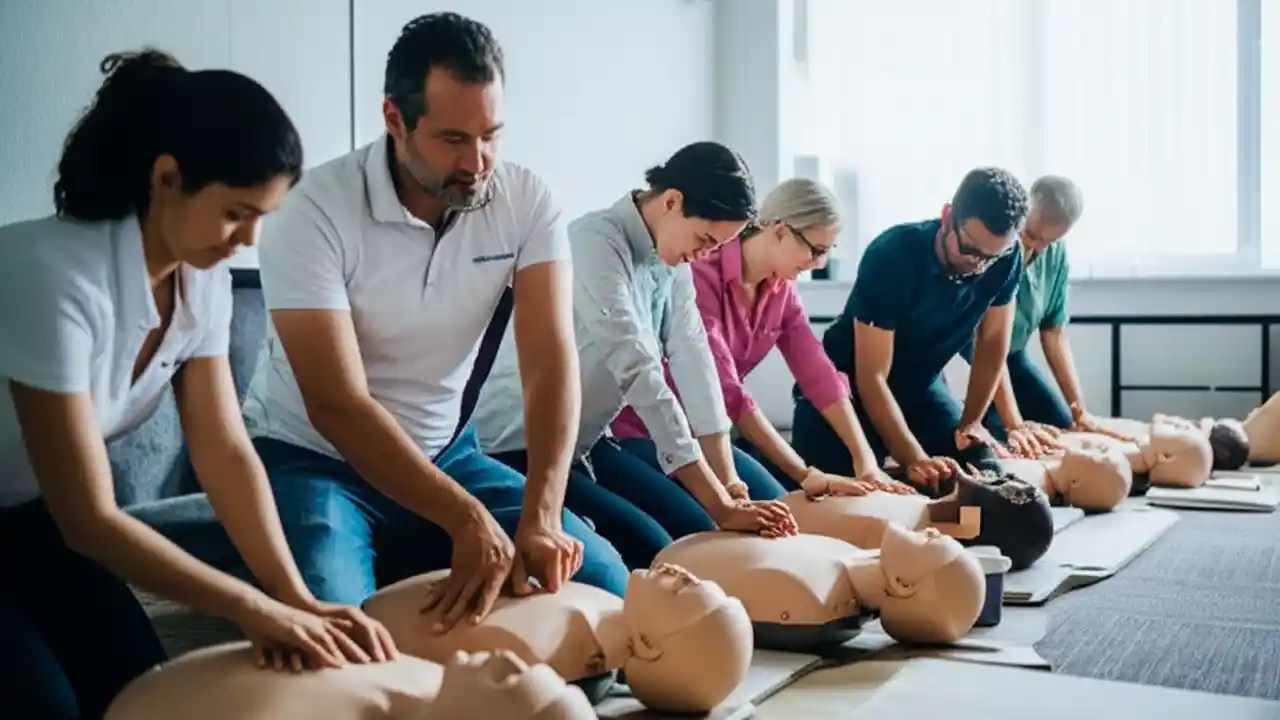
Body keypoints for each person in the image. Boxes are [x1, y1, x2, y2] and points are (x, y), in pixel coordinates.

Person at [0, 50, 394, 720]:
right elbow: (88, 518)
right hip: (57, 513)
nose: (249, 239)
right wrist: (251, 605)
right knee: (48, 706)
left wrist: (293, 592)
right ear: (167, 178)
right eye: (237, 212)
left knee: (138, 686)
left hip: (25, 513)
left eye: (264, 215)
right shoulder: (50, 276)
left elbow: (224, 450)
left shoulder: (200, 280)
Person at [241, 13, 629, 623]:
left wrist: (542, 515)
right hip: (314, 458)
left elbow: (550, 366)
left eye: (491, 135)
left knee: (606, 593)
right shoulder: (310, 210)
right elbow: (336, 402)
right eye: (453, 140)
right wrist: (465, 518)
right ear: (394, 119)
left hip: (446, 453)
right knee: (338, 630)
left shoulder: (527, 202)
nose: (478, 162)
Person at [476, 142, 796, 570]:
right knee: (654, 546)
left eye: (717, 247)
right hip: (517, 445)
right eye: (705, 239)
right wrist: (719, 502)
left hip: (584, 444)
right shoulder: (592, 242)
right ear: (671, 201)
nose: (707, 255)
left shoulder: (673, 260)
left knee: (695, 527)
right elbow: (639, 370)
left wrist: (730, 484)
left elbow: (694, 360)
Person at [610, 178, 905, 495]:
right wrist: (805, 474)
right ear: (780, 230)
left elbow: (819, 374)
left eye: (826, 253)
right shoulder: (700, 274)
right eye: (815, 250)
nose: (818, 264)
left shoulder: (782, 291)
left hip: (708, 436)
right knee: (722, 525)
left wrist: (866, 463)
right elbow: (726, 391)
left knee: (779, 508)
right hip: (645, 431)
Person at [792, 168, 1029, 491]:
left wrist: (972, 421)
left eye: (992, 256)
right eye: (970, 249)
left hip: (921, 385)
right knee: (848, 487)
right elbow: (872, 377)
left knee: (980, 470)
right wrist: (912, 456)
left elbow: (992, 342)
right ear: (947, 216)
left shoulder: (1007, 256)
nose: (980, 264)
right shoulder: (892, 255)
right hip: (846, 389)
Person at [960, 175, 1108, 457]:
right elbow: (988, 343)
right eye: (1031, 235)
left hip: (1013, 354)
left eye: (1049, 241)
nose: (1038, 248)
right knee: (1004, 440)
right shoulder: (999, 249)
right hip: (981, 347)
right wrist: (1013, 423)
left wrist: (1080, 409)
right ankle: (966, 412)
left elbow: (1053, 333)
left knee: (1060, 424)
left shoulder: (1055, 254)